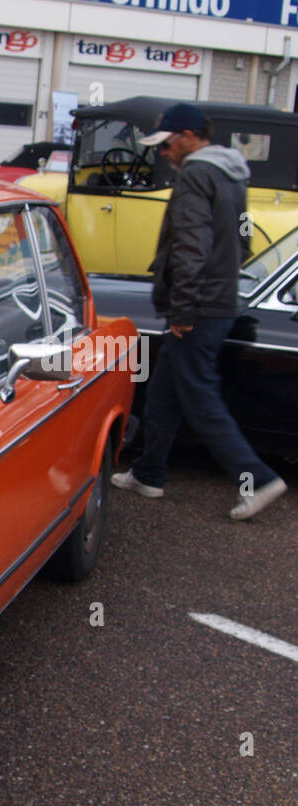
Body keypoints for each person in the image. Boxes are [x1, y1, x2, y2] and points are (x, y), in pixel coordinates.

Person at [111, 102, 287, 521]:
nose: (163, 153)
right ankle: (149, 473)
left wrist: (182, 308)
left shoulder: (194, 175)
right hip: (221, 298)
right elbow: (242, 237)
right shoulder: (234, 172)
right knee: (166, 391)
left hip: (198, 306)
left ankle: (258, 479)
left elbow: (190, 245)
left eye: (167, 144)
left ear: (188, 136)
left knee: (200, 397)